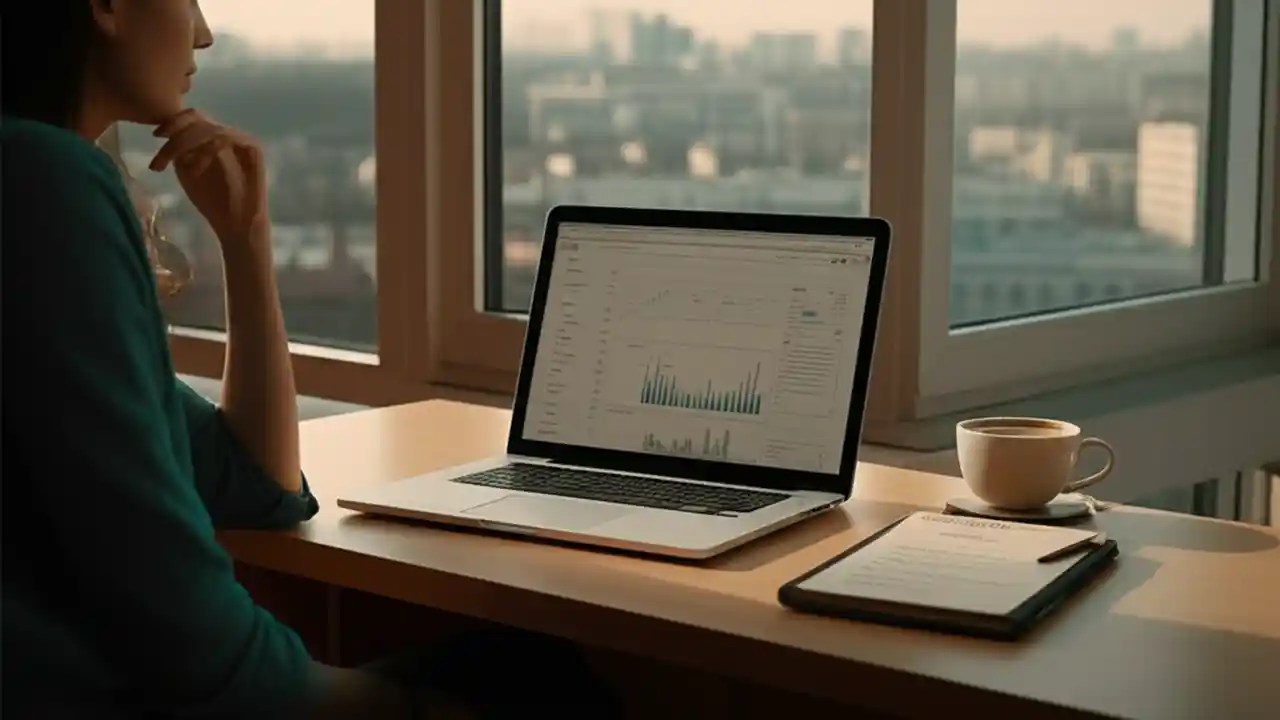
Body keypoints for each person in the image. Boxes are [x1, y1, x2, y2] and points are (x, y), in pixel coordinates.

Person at [0, 2, 619, 718]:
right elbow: (186, 637)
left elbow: (259, 484)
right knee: (544, 683)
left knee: (524, 664)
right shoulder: (43, 187)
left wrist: (246, 238)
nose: (203, 31)